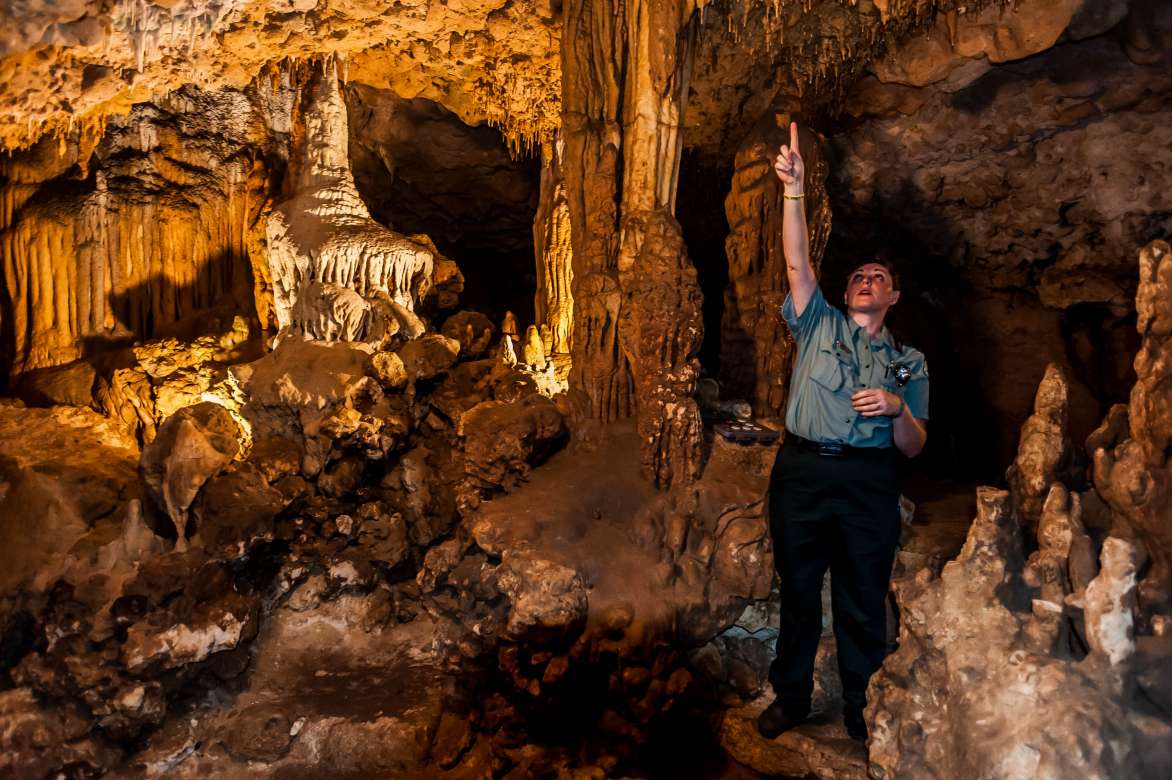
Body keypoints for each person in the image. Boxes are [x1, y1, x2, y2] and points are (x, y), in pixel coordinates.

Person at [757, 121, 929, 743]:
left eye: (877, 277)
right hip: (802, 471)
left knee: (862, 596)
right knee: (799, 590)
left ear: (894, 296)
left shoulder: (909, 361)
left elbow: (914, 446)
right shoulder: (820, 324)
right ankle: (792, 697)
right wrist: (795, 191)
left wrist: (895, 407)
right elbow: (797, 260)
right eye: (859, 274)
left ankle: (861, 707)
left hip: (867, 481)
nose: (865, 280)